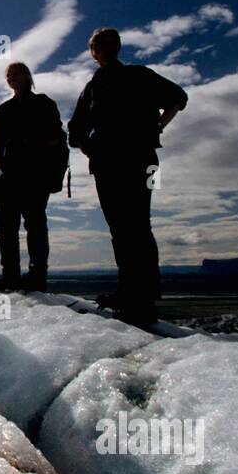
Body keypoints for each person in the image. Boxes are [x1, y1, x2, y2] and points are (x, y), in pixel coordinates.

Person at [67, 27, 187, 324]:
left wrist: (158, 126)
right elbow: (75, 128)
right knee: (120, 229)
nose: (107, 49)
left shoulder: (138, 75)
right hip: (106, 164)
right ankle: (127, 292)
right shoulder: (92, 86)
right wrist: (88, 148)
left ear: (118, 47)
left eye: (112, 44)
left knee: (138, 225)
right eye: (100, 46)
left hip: (140, 159)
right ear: (93, 52)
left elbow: (177, 97)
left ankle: (144, 300)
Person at [0, 61, 66, 293]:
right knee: (7, 227)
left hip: (36, 175)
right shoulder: (4, 110)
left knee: (35, 225)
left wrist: (31, 143)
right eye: (9, 75)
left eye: (16, 73)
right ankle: (10, 275)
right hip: (10, 176)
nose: (12, 78)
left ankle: (37, 276)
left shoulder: (43, 104)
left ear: (27, 76)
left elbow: (57, 138)